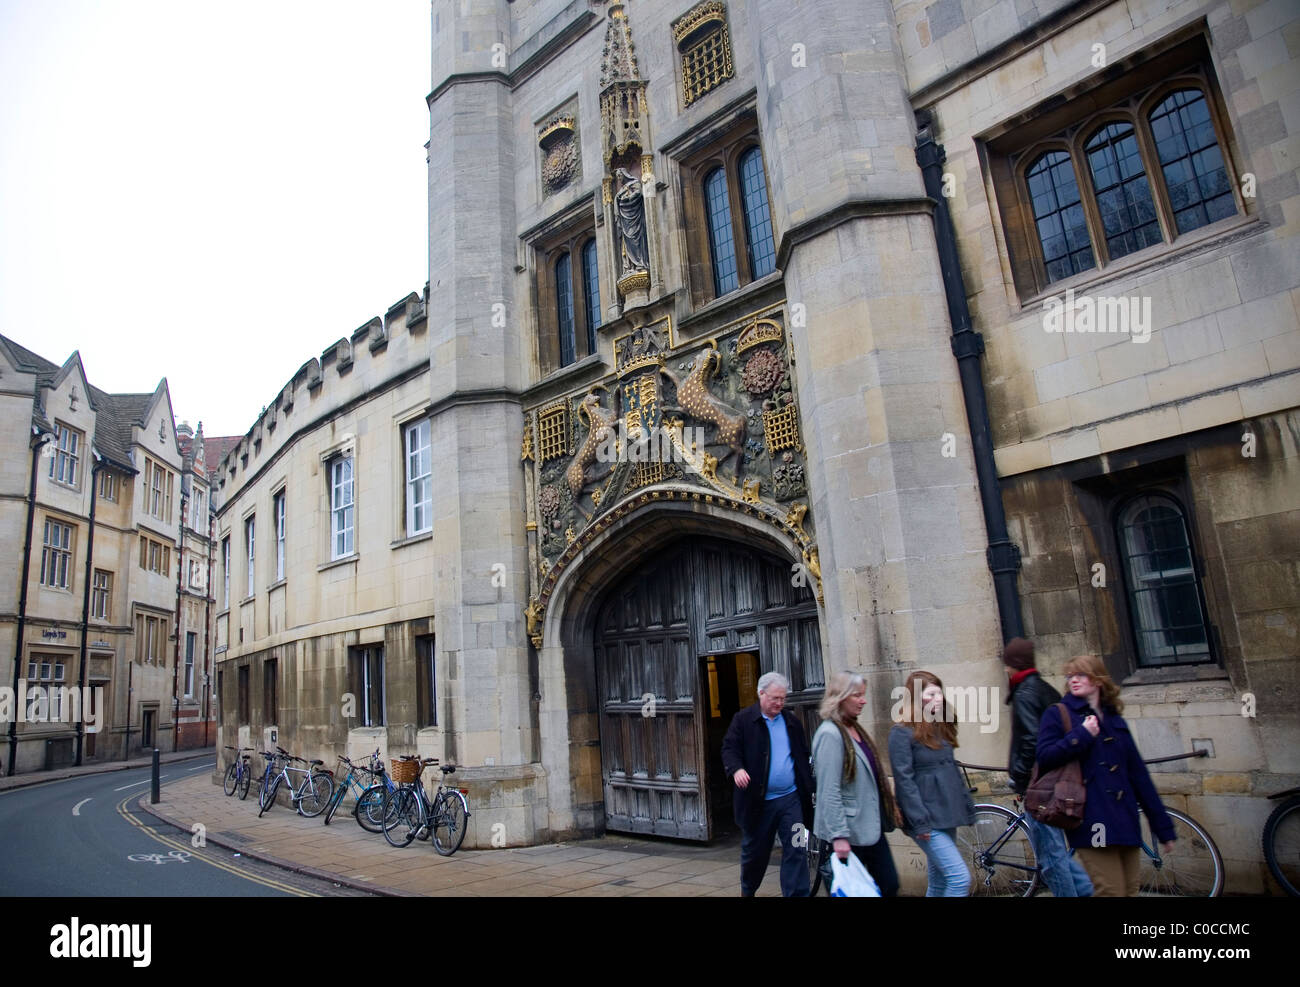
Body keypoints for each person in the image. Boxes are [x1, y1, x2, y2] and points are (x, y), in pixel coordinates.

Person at [1036, 654, 1176, 897]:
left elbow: (1139, 776)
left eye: (1081, 675)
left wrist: (1163, 829)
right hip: (1092, 820)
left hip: (1125, 820)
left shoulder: (1114, 719)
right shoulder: (1059, 714)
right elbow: (1045, 757)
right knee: (1109, 891)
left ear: (1098, 680)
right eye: (1070, 676)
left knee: (1130, 891)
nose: (1074, 680)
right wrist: (1081, 735)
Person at [1002, 637, 1093, 897]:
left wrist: (1018, 776)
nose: (1006, 670)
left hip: (1040, 786)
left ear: (1016, 664)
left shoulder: (1025, 693)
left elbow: (1032, 740)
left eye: (1008, 664)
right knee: (1056, 853)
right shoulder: (1044, 689)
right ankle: (1088, 892)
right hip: (1054, 781)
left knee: (1051, 859)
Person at [720, 670, 815, 896]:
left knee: (797, 847)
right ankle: (748, 890)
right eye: (775, 698)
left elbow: (801, 755)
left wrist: (809, 786)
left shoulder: (791, 721)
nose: (780, 703)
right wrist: (737, 769)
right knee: (756, 853)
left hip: (791, 801)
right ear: (761, 694)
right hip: (759, 804)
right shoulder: (743, 720)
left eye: (783, 698)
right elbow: (729, 748)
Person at [811, 671, 901, 896]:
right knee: (857, 890)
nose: (863, 700)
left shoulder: (855, 729)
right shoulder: (830, 734)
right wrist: (839, 836)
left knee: (888, 884)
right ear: (840, 697)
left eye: (863, 695)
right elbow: (828, 790)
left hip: (870, 826)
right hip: (849, 832)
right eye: (857, 696)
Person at [888, 670, 974, 896]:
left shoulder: (940, 728)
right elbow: (903, 780)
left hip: (946, 813)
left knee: (938, 883)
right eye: (931, 694)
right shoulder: (901, 732)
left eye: (939, 693)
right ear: (917, 697)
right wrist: (920, 821)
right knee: (959, 879)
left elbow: (951, 770)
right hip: (925, 818)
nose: (939, 699)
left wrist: (966, 804)